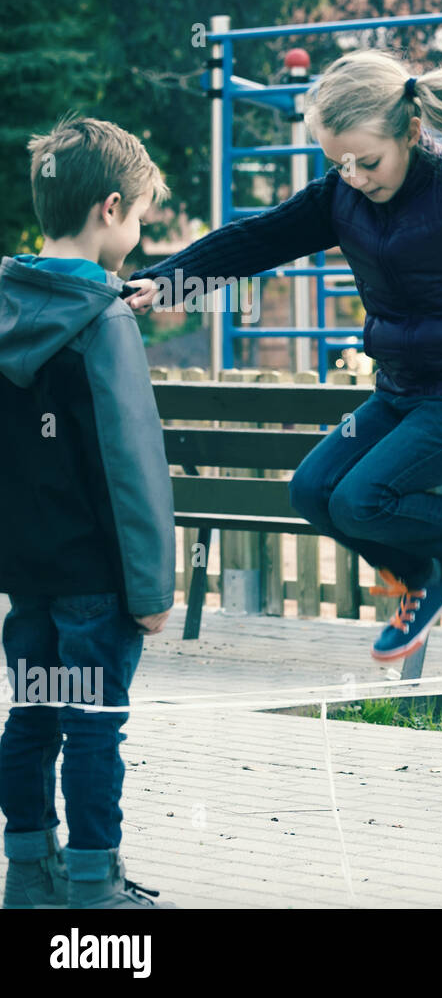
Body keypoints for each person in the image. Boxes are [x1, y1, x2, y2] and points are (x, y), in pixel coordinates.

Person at [125, 51, 442, 661]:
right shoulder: (341, 197)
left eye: (368, 160)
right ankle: (427, 576)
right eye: (340, 163)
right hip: (401, 392)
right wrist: (168, 279)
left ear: (411, 132)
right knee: (312, 490)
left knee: (361, 498)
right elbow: (258, 238)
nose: (355, 175)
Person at [0, 117, 176, 907]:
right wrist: (151, 591)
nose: (137, 233)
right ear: (109, 208)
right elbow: (132, 470)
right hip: (97, 581)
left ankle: (27, 872)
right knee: (96, 721)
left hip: (26, 574)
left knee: (33, 712)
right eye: (138, 215)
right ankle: (92, 882)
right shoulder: (104, 320)